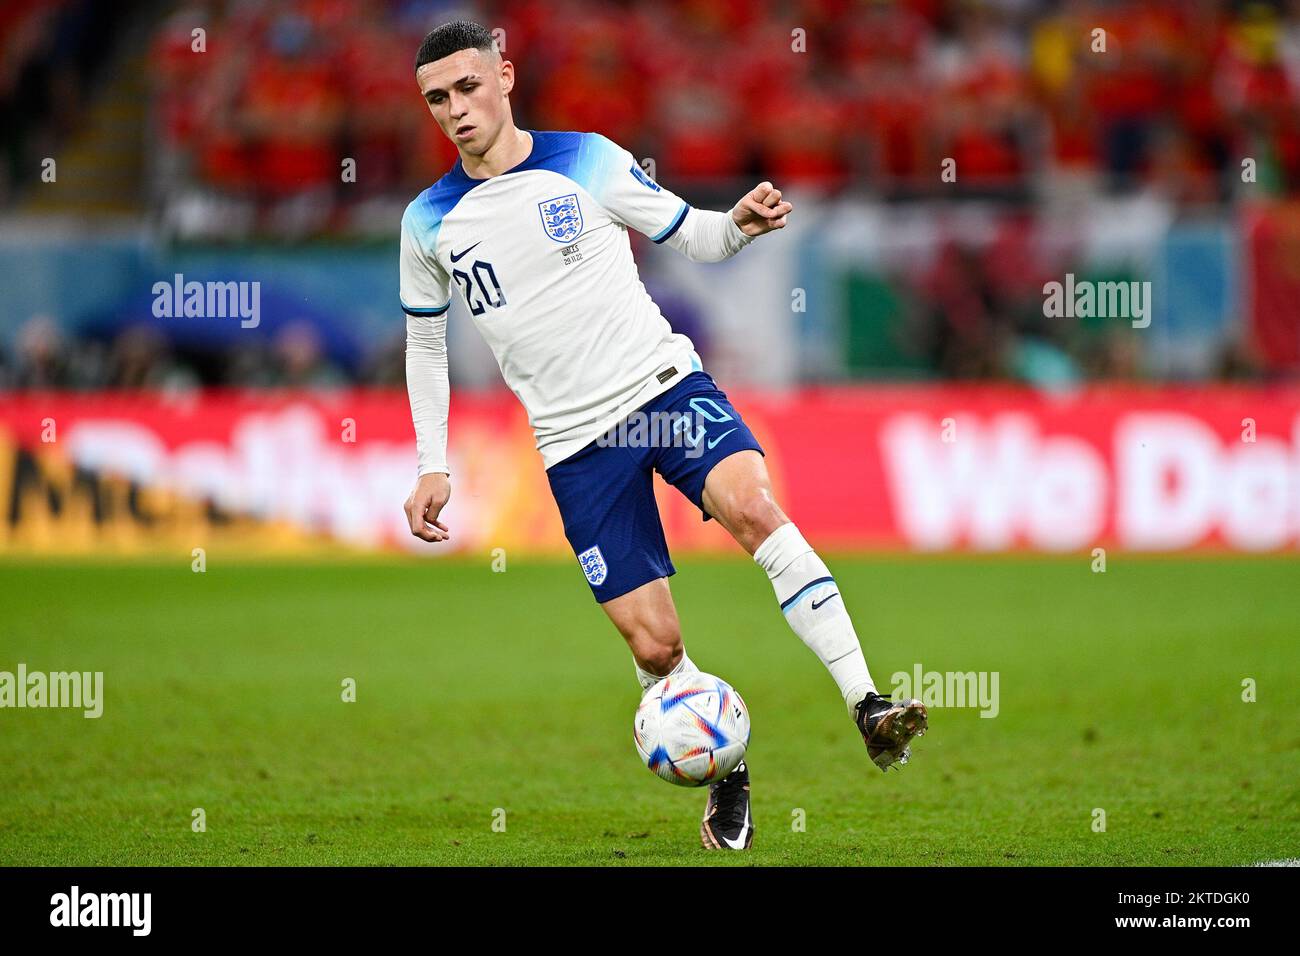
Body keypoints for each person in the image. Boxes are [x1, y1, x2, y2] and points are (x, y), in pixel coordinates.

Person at [400, 20, 927, 852]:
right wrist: (433, 464)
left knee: (755, 509)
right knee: (657, 642)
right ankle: (727, 768)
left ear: (504, 75)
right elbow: (426, 343)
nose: (456, 110)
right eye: (438, 98)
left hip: (662, 389)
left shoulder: (591, 160)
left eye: (468, 87)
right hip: (575, 446)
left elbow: (699, 237)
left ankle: (870, 705)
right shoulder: (428, 223)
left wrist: (742, 223)